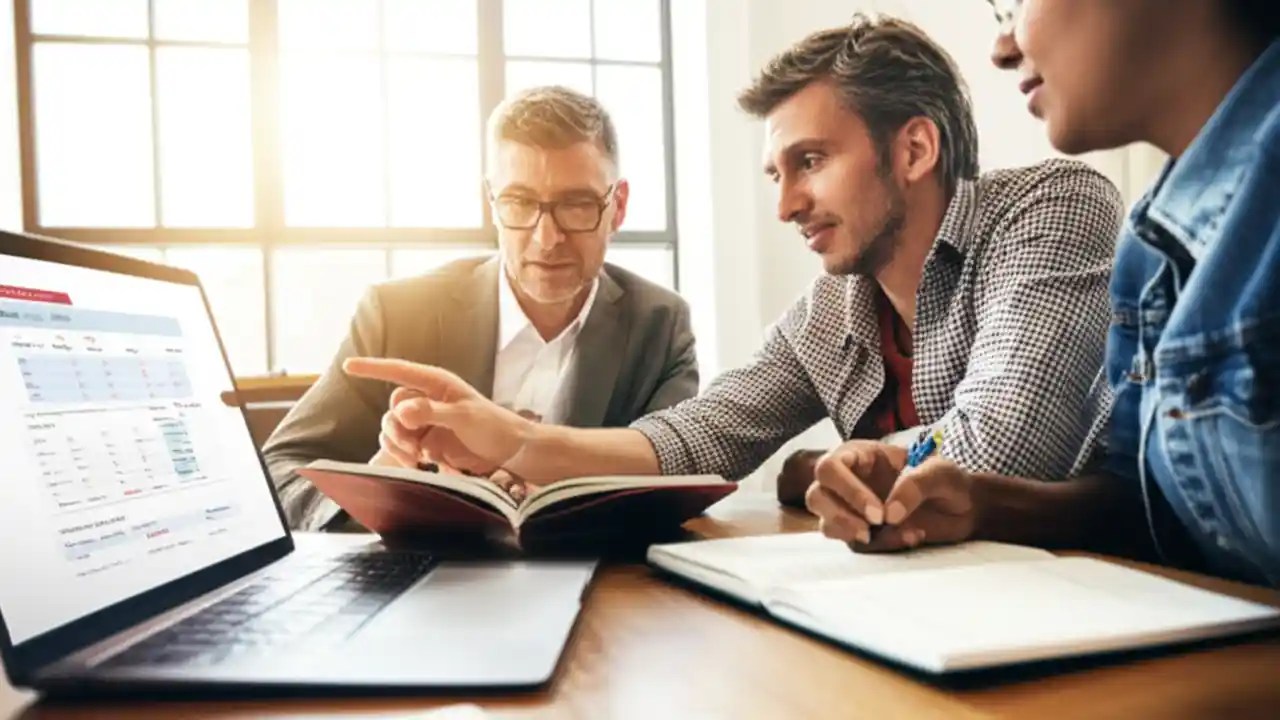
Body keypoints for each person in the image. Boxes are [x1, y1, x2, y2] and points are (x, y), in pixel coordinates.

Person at [339, 15, 1124, 541]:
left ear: (915, 151)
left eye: (810, 162)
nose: (785, 203)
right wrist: (515, 439)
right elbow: (697, 439)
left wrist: (838, 462)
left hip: (1116, 613)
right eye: (776, 173)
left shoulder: (1049, 207)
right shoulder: (830, 310)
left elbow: (1004, 444)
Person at [804, 0, 1280, 588]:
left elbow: (1001, 439)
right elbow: (1145, 504)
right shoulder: (1149, 245)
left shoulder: (1058, 205)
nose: (1002, 50)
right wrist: (980, 503)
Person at [263, 86, 700, 531]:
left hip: (599, 583)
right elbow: (280, 473)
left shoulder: (660, 326)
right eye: (520, 203)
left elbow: (678, 483)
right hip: (426, 583)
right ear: (492, 203)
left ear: (618, 206)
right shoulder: (396, 315)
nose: (546, 238)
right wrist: (376, 489)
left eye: (577, 204)